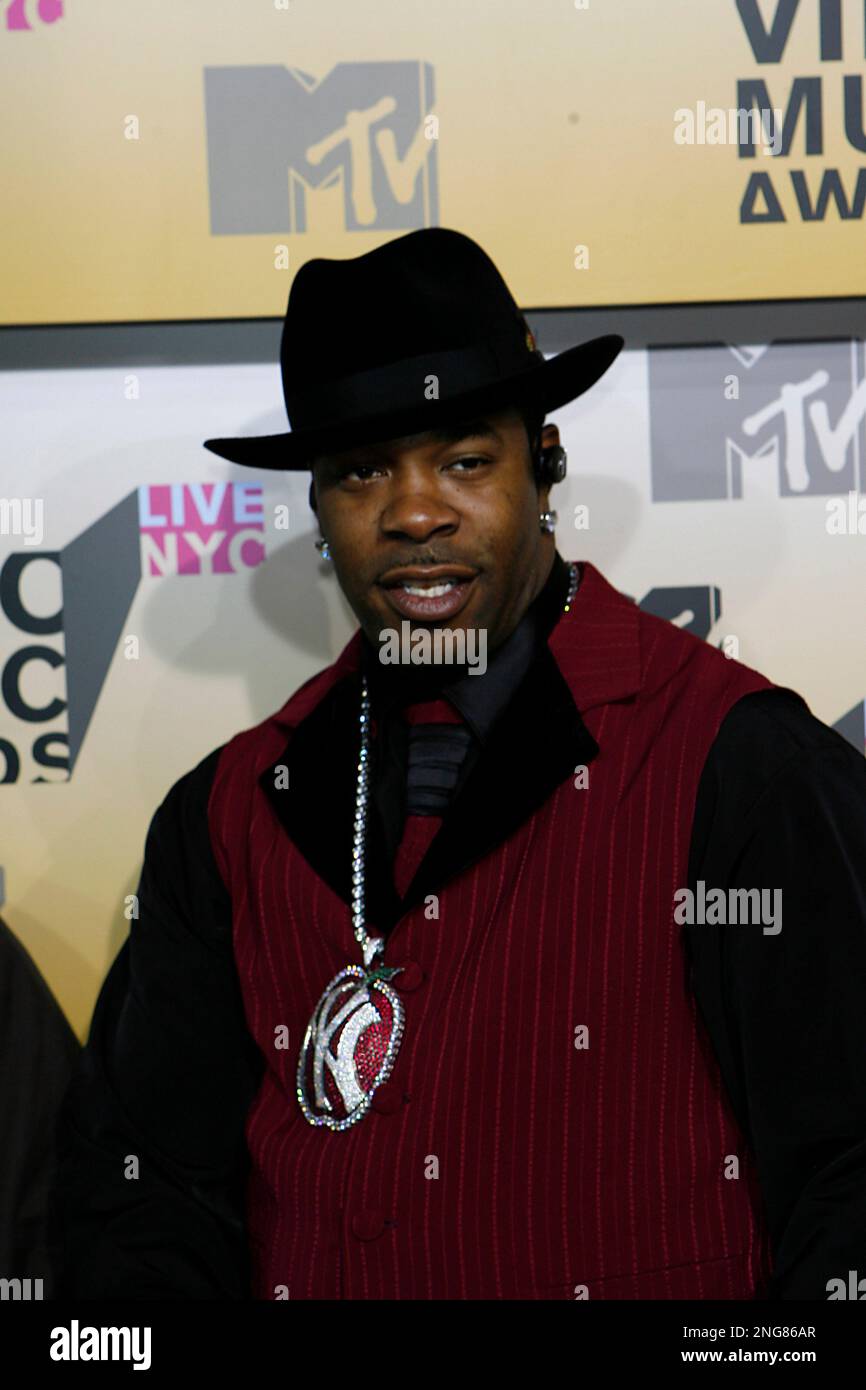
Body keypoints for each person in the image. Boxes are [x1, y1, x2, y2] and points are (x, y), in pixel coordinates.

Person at [56, 228, 866, 1300]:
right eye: (359, 470)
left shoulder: (737, 762)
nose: (412, 511)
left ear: (545, 460)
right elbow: (145, 1202)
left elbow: (849, 1186)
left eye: (463, 458)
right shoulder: (228, 812)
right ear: (316, 508)